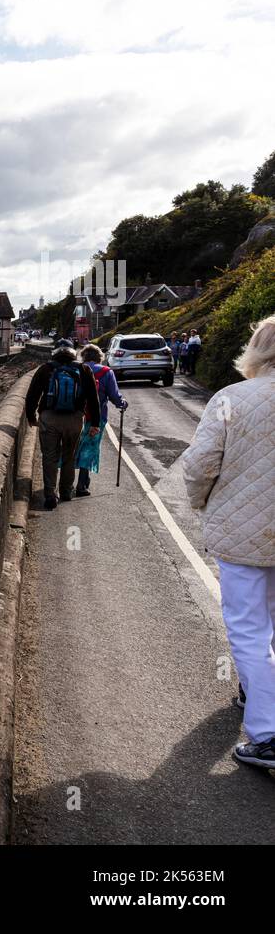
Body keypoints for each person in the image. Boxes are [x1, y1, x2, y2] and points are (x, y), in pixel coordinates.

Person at [181, 313, 275, 769]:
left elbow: (200, 466)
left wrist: (201, 503)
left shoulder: (232, 398)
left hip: (245, 536)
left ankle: (269, 735)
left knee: (250, 629)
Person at [25, 339, 102, 510]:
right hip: (74, 419)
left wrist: (31, 416)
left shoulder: (46, 368)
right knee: (69, 456)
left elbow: (32, 395)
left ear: (55, 351)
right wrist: (95, 423)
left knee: (50, 457)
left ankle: (50, 494)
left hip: (49, 418)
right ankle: (66, 491)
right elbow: (93, 399)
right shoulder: (84, 369)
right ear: (73, 351)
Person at [74, 343, 128, 496]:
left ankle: (70, 483)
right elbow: (114, 396)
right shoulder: (106, 372)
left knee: (75, 447)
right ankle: (81, 485)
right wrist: (122, 403)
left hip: (77, 414)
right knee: (89, 448)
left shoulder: (78, 370)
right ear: (99, 357)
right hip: (97, 417)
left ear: (83, 357)